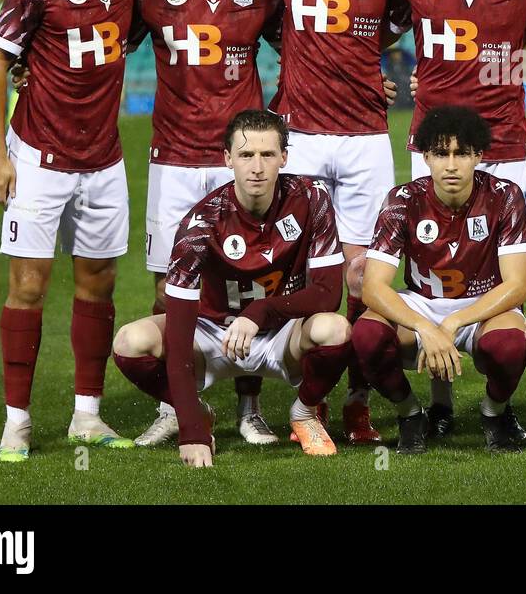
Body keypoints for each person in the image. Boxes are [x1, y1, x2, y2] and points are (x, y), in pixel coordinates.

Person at [150, 0, 414, 445]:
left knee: (360, 276)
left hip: (368, 133)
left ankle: (352, 399)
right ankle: (277, 403)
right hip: (298, 132)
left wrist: (366, 67)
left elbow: (396, 21)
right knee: (273, 267)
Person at [385, 0, 526, 434]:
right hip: (433, 142)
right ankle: (437, 402)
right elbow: (367, 31)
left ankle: (496, 407)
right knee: (432, 266)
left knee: (500, 272)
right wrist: (383, 82)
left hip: (504, 138)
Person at [0, 0, 139, 461]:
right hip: (38, 160)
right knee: (28, 287)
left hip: (103, 161)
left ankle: (87, 416)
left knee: (99, 285)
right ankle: (16, 422)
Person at [127, 0, 283, 447]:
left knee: (244, 283)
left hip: (240, 159)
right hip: (172, 159)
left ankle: (249, 408)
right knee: (169, 289)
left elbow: (303, 47)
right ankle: (177, 404)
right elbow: (102, 45)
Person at [112, 110, 352, 466]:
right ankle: (196, 411)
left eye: (267, 155)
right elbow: (178, 336)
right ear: (228, 159)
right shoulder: (201, 222)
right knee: (129, 342)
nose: (257, 167)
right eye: (245, 155)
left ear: (284, 157)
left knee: (336, 329)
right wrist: (192, 429)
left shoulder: (311, 198)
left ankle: (304, 414)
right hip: (211, 336)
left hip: (280, 335)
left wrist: (261, 312)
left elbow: (329, 293)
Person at [352, 106, 526, 453]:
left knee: (510, 345)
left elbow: (517, 285)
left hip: (483, 306)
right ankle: (410, 413)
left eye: (462, 153)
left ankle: (493, 412)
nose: (451, 165)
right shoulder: (403, 201)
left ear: (479, 155)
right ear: (425, 157)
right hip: (421, 302)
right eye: (441, 153)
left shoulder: (505, 196)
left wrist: (452, 323)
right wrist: (426, 326)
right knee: (367, 334)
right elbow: (373, 286)